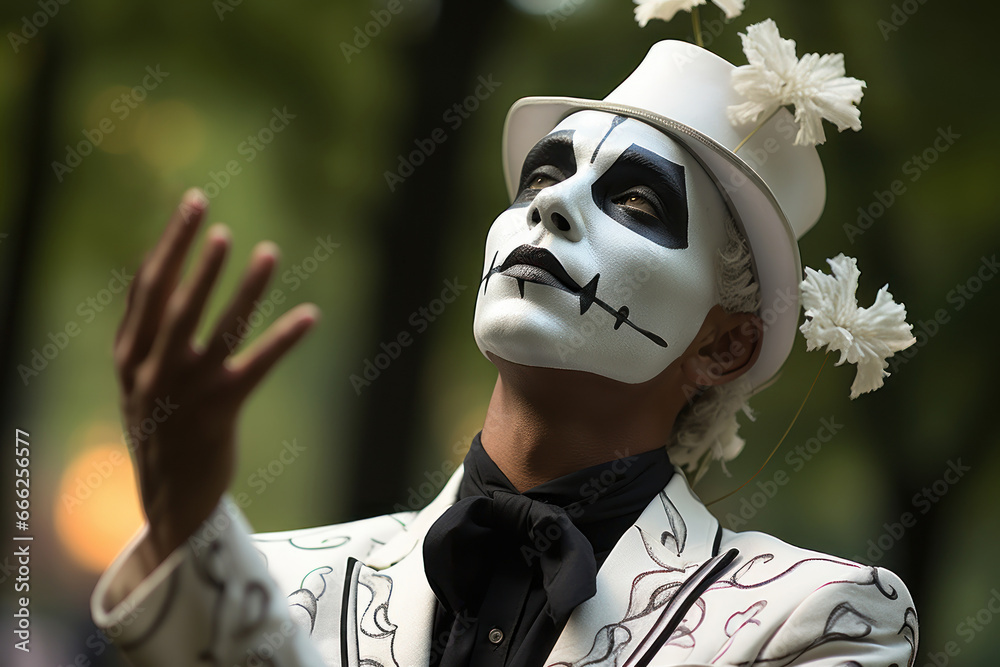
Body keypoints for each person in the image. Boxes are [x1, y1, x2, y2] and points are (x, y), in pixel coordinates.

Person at [91, 40, 918, 666]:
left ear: (726, 343)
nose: (551, 201)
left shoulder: (819, 618)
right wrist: (188, 529)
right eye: (539, 176)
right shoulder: (274, 580)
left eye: (635, 200)